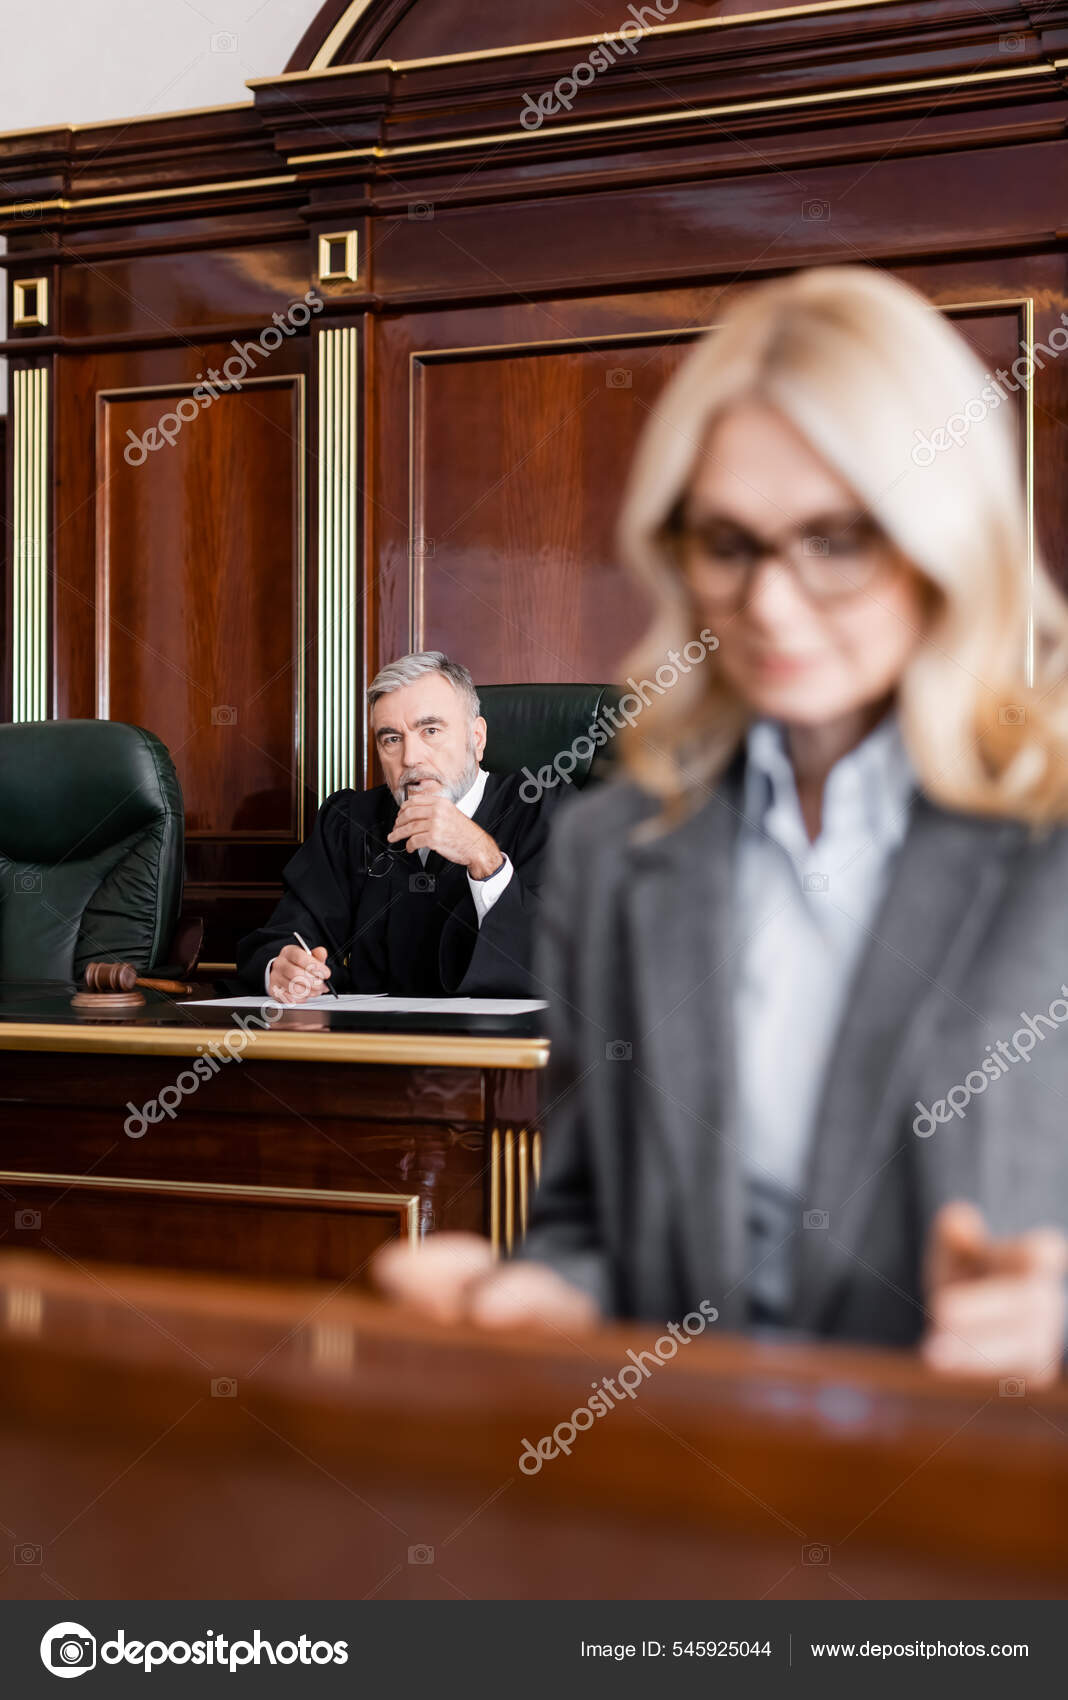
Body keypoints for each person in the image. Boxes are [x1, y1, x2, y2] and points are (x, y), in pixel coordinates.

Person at [377, 264, 1068, 1386]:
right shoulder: (616, 851)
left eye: (837, 540)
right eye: (731, 544)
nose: (774, 604)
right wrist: (536, 1297)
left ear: (943, 538)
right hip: (693, 1503)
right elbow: (591, 1227)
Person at [236, 652, 557, 1000]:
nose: (410, 758)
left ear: (476, 738)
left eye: (430, 730)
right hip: (367, 1045)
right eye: (391, 739)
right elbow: (288, 934)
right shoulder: (351, 821)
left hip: (499, 1049)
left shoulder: (546, 812)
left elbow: (563, 959)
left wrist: (485, 859)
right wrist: (283, 968)